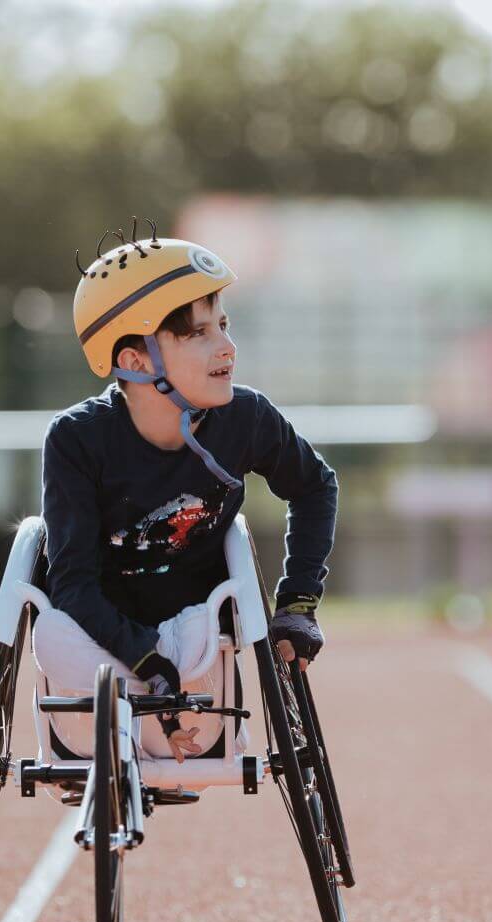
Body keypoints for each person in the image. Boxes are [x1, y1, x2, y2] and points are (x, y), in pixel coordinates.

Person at [32, 224, 337, 763]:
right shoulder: (76, 439)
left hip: (195, 630)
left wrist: (297, 604)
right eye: (199, 333)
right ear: (135, 361)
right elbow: (73, 584)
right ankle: (121, 731)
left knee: (213, 630)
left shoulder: (247, 419)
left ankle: (152, 726)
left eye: (223, 324)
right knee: (51, 633)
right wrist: (142, 658)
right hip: (104, 637)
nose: (228, 347)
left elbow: (315, 486)